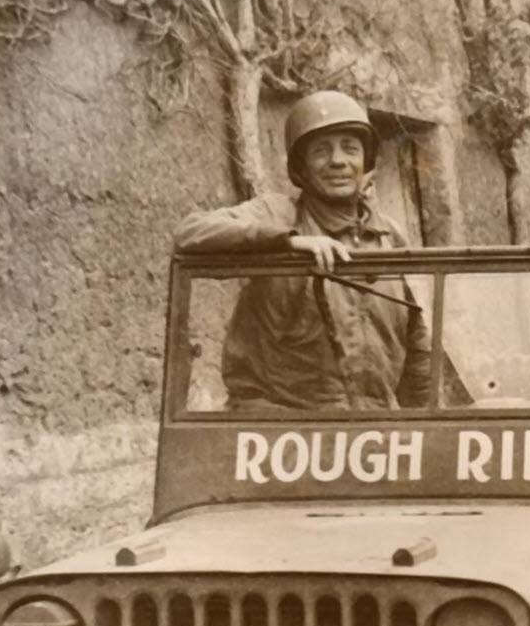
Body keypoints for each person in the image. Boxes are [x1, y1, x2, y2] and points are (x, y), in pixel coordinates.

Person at [173, 91, 431, 411]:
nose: (338, 160)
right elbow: (190, 233)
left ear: (365, 161)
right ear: (302, 167)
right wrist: (288, 241)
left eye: (350, 148)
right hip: (278, 434)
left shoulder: (389, 236)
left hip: (368, 433)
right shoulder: (278, 214)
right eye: (321, 151)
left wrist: (427, 428)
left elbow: (417, 342)